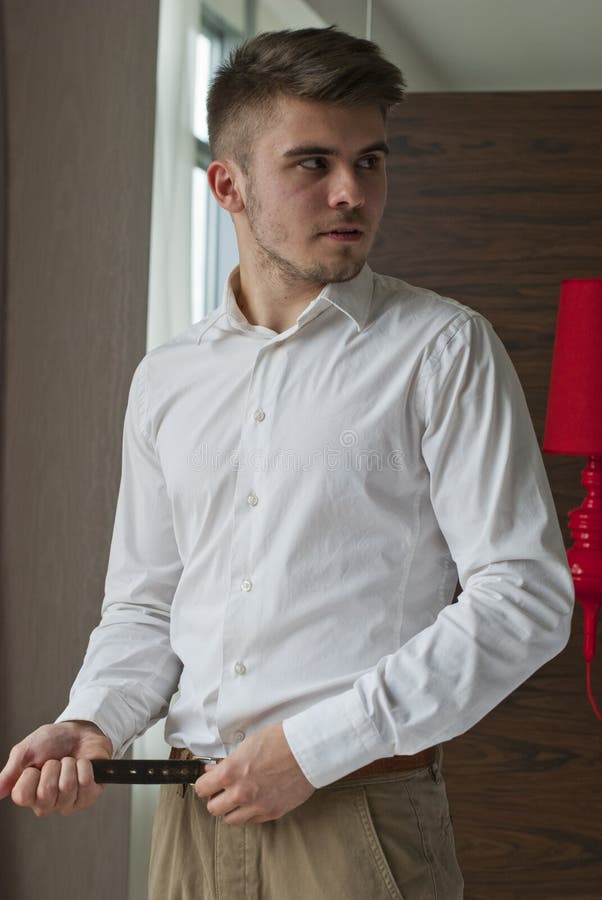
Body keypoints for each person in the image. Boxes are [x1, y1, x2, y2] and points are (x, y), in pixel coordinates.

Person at [0, 26, 573, 900]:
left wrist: (315, 748)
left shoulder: (443, 349)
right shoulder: (168, 379)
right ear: (227, 185)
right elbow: (148, 604)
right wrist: (93, 719)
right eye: (312, 164)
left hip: (360, 821)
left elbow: (524, 598)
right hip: (191, 819)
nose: (352, 193)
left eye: (370, 161)